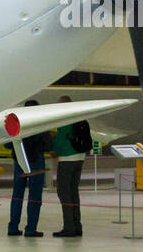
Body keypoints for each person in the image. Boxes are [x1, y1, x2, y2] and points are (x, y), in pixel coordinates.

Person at [8, 99, 50, 238]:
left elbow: (7, 143)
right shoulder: (41, 122)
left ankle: (13, 227)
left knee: (17, 194)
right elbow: (48, 144)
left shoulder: (17, 121)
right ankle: (31, 229)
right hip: (36, 161)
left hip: (19, 160)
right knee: (35, 195)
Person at [51, 95, 90, 238]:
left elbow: (60, 142)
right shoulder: (79, 117)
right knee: (73, 191)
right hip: (80, 158)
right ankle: (77, 226)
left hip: (67, 159)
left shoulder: (65, 119)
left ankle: (69, 227)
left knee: (63, 192)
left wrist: (52, 148)